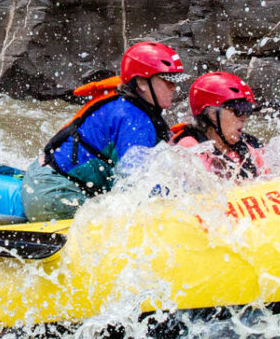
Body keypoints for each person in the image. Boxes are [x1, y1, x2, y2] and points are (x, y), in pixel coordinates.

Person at [21, 41, 184, 221]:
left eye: (174, 81)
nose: (173, 87)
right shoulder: (134, 120)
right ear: (141, 82)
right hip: (53, 195)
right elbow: (134, 187)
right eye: (166, 79)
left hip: (42, 181)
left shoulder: (126, 104)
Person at [174, 71, 267, 179]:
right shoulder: (190, 150)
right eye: (238, 112)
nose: (244, 118)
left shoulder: (248, 148)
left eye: (247, 113)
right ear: (212, 114)